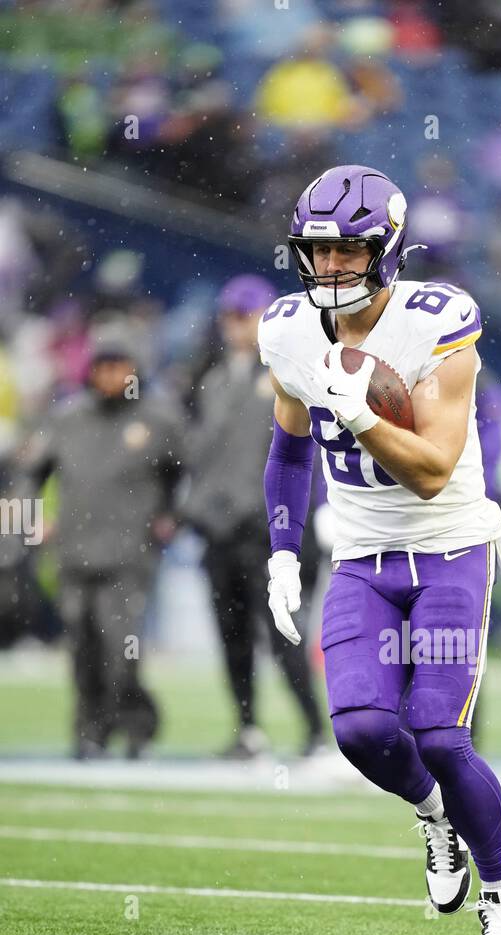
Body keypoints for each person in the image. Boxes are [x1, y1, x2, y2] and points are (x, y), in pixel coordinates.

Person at [258, 165, 501, 935]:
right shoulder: (286, 329)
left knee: (443, 736)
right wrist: (283, 553)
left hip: (449, 548)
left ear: (385, 249)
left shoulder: (437, 320)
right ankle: (434, 817)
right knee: (358, 729)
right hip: (360, 556)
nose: (329, 268)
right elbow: (287, 451)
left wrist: (358, 415)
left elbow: (428, 472)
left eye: (347, 251)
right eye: (316, 252)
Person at [20, 328, 183, 758]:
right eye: (102, 366)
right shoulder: (67, 418)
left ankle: (135, 726)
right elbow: (28, 476)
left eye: (119, 366)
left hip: (129, 554)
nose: (110, 375)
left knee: (121, 647)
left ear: (135, 370)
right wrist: (32, 519)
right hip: (73, 552)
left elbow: (184, 473)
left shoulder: (158, 419)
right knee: (82, 648)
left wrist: (171, 517)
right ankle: (89, 731)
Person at [184, 274, 325, 758]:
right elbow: (202, 456)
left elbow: (307, 457)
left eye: (245, 315)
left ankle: (313, 731)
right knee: (232, 634)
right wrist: (198, 511)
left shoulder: (290, 371)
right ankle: (248, 729)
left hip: (273, 533)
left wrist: (307, 522)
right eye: (230, 316)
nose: (235, 326)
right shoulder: (214, 379)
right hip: (222, 531)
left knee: (286, 632)